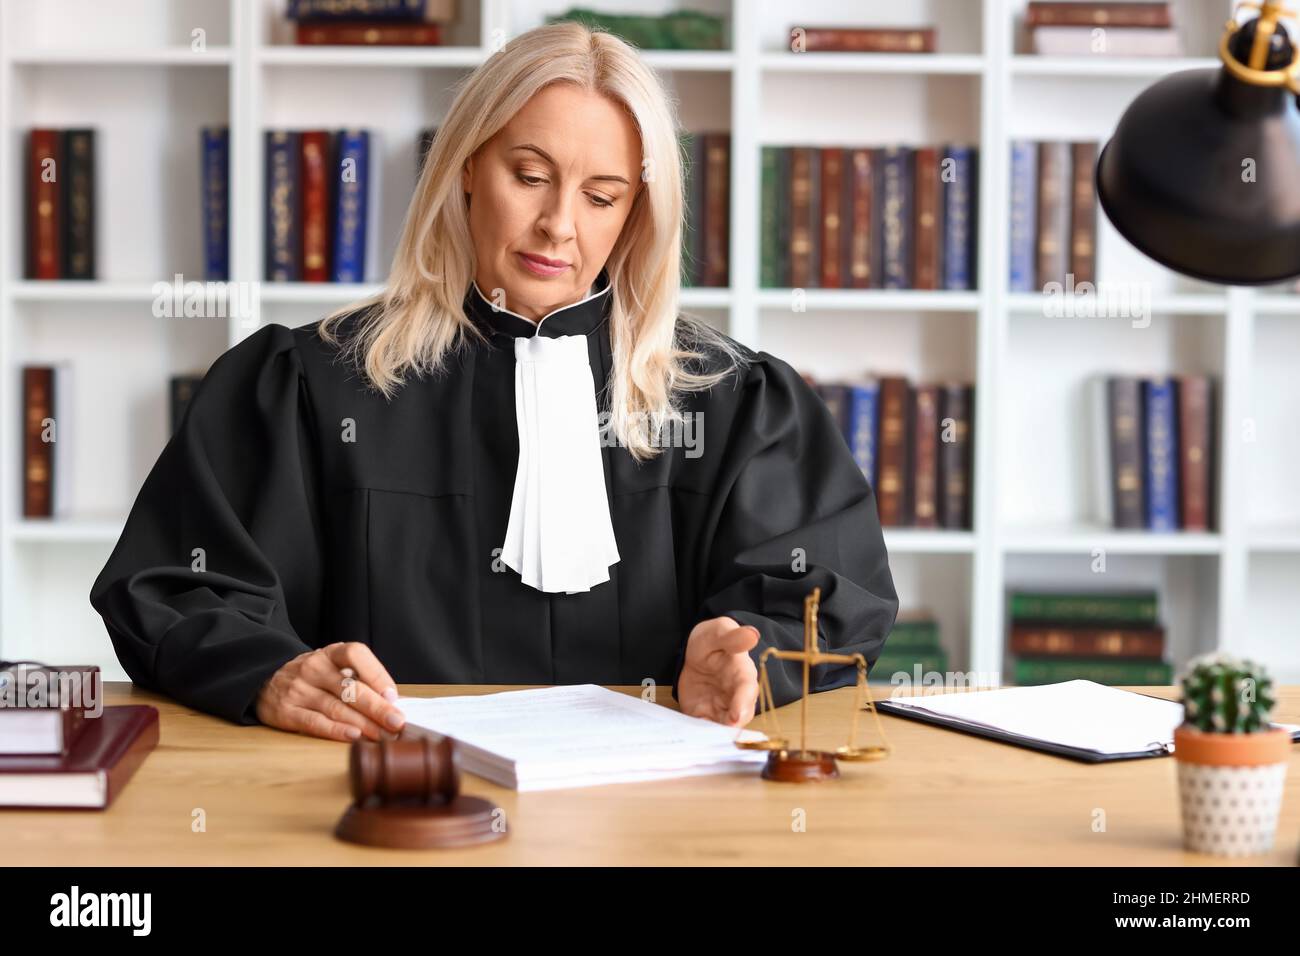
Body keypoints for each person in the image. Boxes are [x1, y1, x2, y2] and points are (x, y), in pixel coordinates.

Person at [89, 22, 897, 743]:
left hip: (657, 826)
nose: (559, 225)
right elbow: (175, 587)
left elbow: (827, 595)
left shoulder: (733, 402)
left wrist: (750, 665)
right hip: (388, 809)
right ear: (468, 166)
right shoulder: (305, 385)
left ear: (638, 213)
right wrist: (269, 673)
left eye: (601, 195)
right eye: (530, 173)